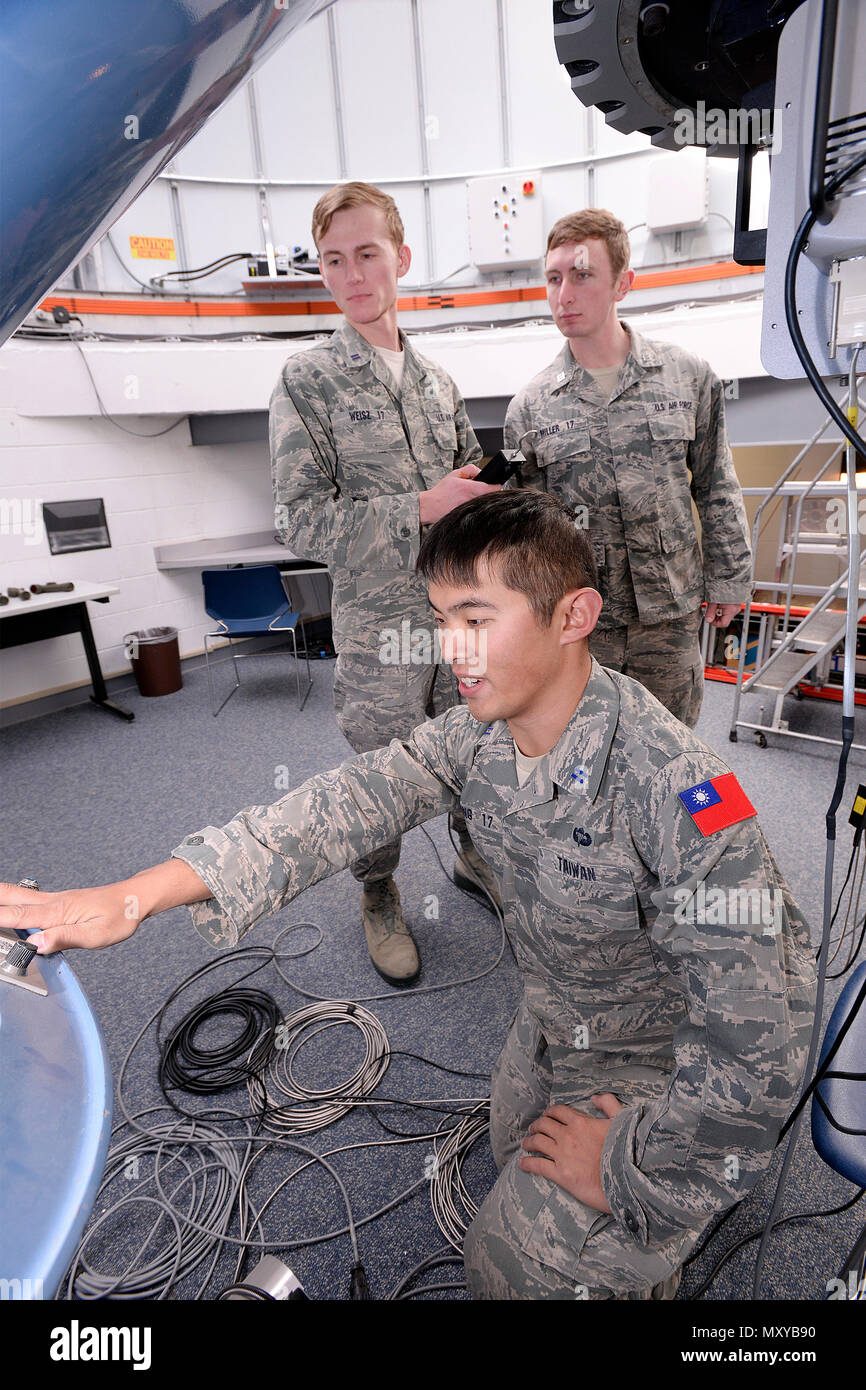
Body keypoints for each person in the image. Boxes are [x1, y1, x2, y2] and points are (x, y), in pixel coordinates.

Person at [1, 491, 815, 1301]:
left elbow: (759, 1036)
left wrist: (636, 1172)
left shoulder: (685, 791)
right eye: (439, 620)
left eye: (475, 618)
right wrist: (134, 896)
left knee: (511, 1258)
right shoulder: (478, 732)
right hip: (565, 1011)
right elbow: (342, 805)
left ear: (573, 617)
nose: (450, 651)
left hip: (669, 1049)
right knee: (511, 1145)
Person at [269, 180, 500, 986]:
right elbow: (298, 520)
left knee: (474, 745)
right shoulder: (308, 381)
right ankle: (378, 893)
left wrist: (476, 495)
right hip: (378, 637)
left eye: (367, 254)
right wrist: (421, 507)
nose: (352, 273)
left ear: (400, 259)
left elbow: (465, 487)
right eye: (334, 260)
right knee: (380, 777)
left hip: (458, 624)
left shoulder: (437, 382)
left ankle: (472, 853)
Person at [504, 208, 752, 729]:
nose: (564, 294)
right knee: (586, 750)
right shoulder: (530, 407)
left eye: (582, 275)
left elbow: (715, 483)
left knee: (672, 749)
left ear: (623, 283)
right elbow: (524, 531)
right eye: (553, 278)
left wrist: (730, 578)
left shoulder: (687, 377)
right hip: (580, 620)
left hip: (671, 612)